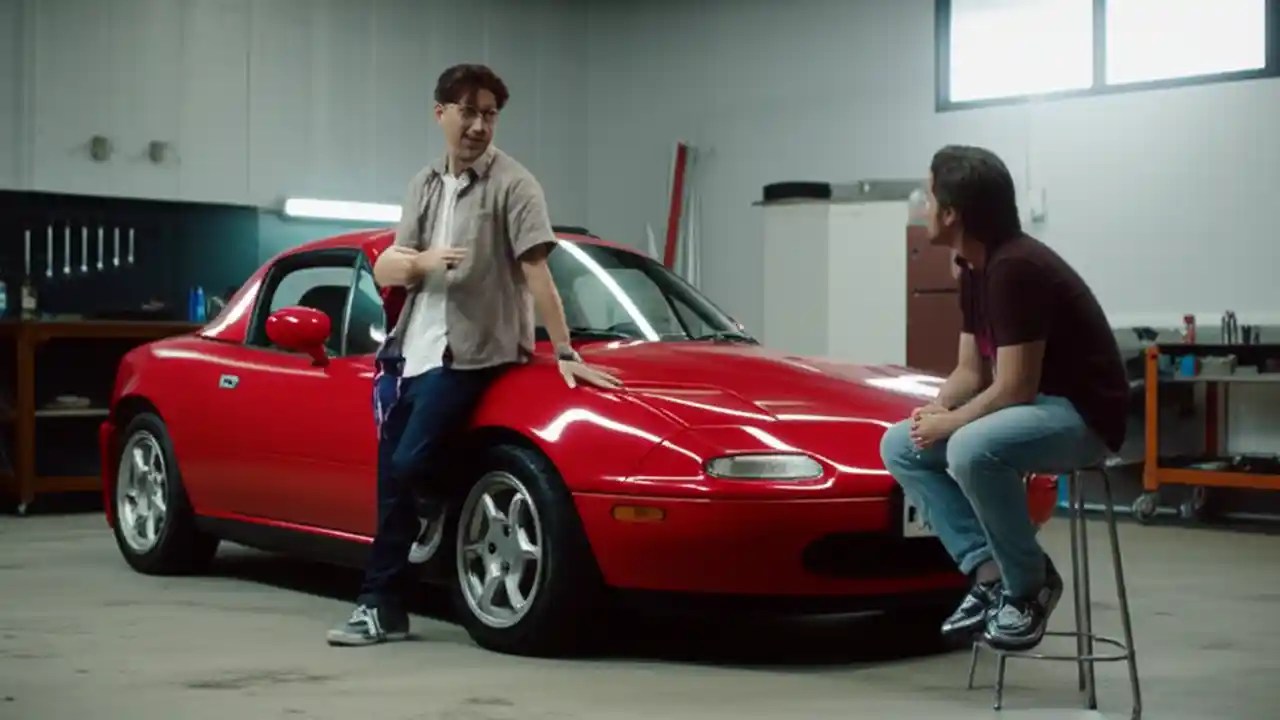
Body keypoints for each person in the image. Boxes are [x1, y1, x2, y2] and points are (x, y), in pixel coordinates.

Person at [327, 63, 622, 647]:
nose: (479, 126)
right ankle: (380, 607)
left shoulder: (515, 185)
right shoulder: (423, 184)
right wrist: (422, 262)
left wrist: (564, 348)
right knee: (391, 486)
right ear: (440, 114)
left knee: (409, 467)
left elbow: (537, 271)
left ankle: (441, 503)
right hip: (412, 351)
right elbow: (389, 267)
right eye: (468, 112)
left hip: (473, 353)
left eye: (490, 115)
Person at [880, 145, 1128, 652]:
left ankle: (1029, 587)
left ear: (953, 213)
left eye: (930, 198)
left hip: (1082, 417)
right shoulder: (973, 268)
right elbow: (971, 371)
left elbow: (1016, 385)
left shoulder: (1015, 269)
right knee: (901, 446)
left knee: (971, 449)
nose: (924, 208)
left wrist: (953, 425)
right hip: (1035, 410)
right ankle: (989, 572)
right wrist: (938, 409)